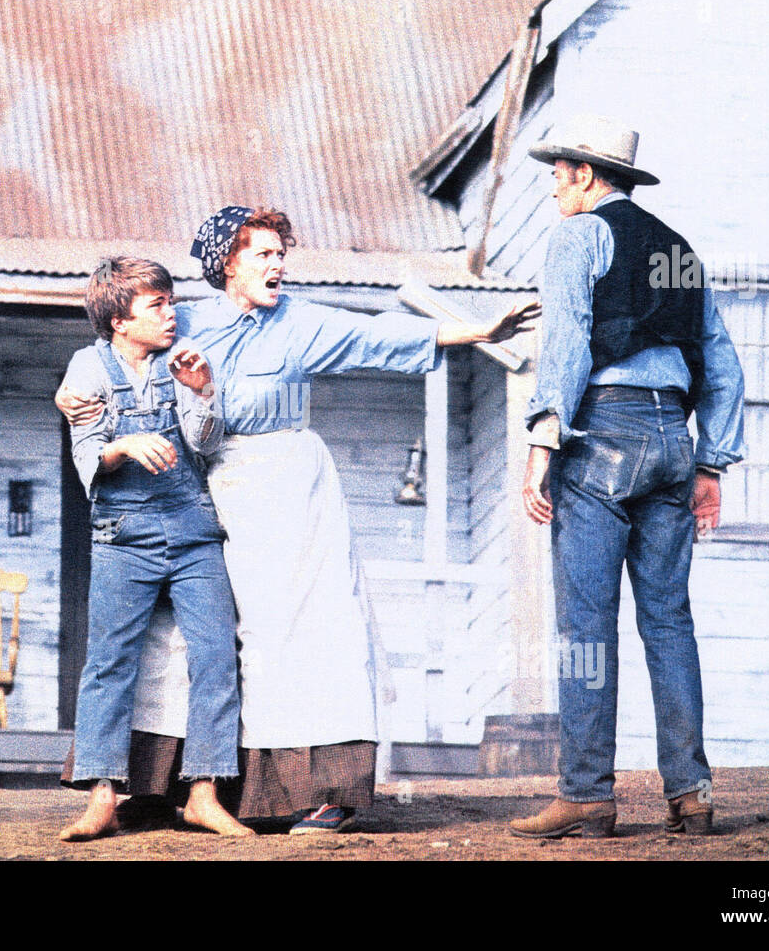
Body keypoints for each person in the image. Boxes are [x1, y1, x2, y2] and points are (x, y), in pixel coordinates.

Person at [60, 207, 538, 833]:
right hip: (204, 492)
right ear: (226, 263)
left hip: (290, 490)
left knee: (309, 632)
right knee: (180, 639)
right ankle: (162, 786)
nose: (277, 263)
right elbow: (111, 342)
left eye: (281, 253)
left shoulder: (302, 322)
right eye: (262, 254)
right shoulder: (182, 318)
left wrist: (477, 331)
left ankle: (324, 790)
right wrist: (72, 390)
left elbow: (381, 336)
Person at [510, 114, 745, 839]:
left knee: (586, 623)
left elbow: (568, 339)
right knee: (669, 621)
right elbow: (723, 363)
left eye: (557, 176)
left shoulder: (578, 235)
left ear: (584, 174)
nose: (553, 190)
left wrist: (543, 441)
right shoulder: (678, 250)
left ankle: (585, 794)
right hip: (674, 437)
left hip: (603, 433)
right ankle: (692, 793)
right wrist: (711, 461)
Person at [57, 256, 252, 841]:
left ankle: (203, 793)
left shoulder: (184, 358)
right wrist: (125, 445)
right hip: (124, 535)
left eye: (171, 303)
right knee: (110, 664)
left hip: (193, 530)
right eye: (157, 306)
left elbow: (204, 444)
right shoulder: (85, 368)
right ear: (120, 320)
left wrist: (204, 392)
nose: (172, 315)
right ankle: (100, 797)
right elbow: (87, 453)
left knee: (216, 656)